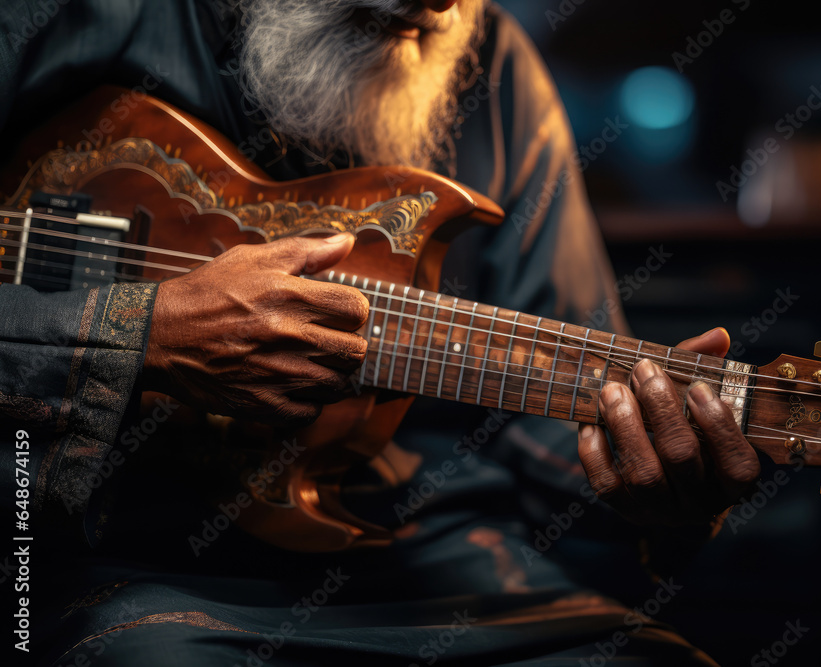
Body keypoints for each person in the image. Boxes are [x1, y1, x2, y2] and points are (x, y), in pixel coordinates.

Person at [0, 1, 760, 664]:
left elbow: (560, 470)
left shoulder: (488, 61)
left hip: (445, 574)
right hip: (107, 572)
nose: (442, 5)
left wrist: (658, 498)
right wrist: (140, 335)